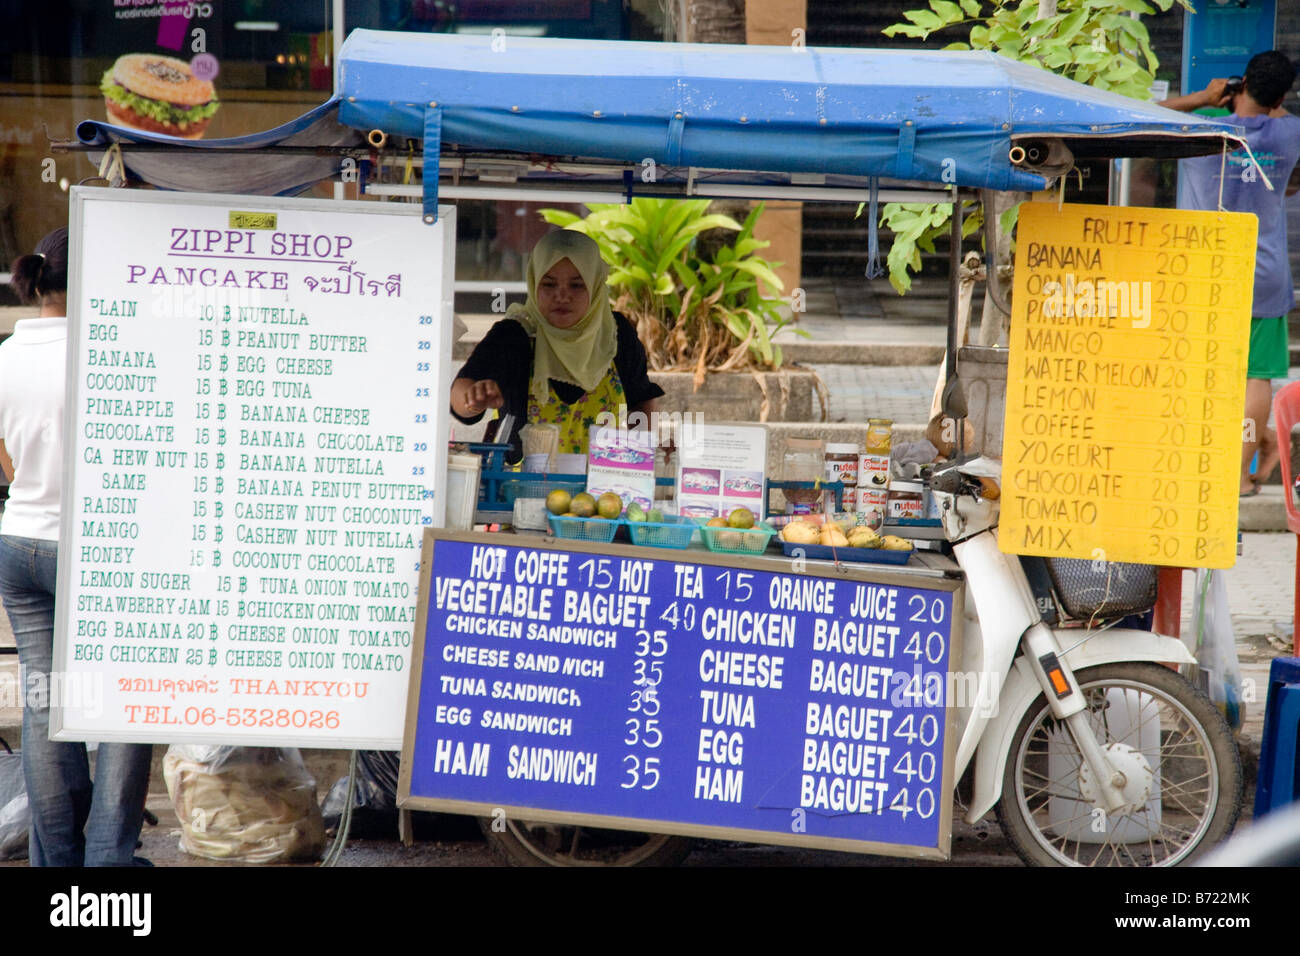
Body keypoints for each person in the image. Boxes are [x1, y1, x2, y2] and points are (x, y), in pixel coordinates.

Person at [1, 228, 153, 865]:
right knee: (121, 697)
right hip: (97, 550)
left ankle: (56, 862)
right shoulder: (104, 351)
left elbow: (5, 462)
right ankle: (107, 864)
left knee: (44, 697)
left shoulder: (6, 353)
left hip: (19, 542)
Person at [1162, 51, 1300, 496]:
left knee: (1201, 369)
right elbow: (1277, 119)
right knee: (1255, 376)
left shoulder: (1204, 129)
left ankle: (1194, 462)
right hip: (1265, 275)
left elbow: (1143, 117)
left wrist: (1204, 96)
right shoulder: (1289, 133)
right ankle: (1241, 473)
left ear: (1239, 87)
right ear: (1280, 96)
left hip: (1209, 273)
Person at [450, 230, 664, 459]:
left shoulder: (616, 334)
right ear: (533, 282)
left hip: (600, 487)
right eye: (549, 284)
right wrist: (472, 399)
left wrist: (643, 455)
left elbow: (640, 401)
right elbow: (459, 395)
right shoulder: (513, 334)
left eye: (577, 285)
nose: (562, 296)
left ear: (595, 285)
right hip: (519, 485)